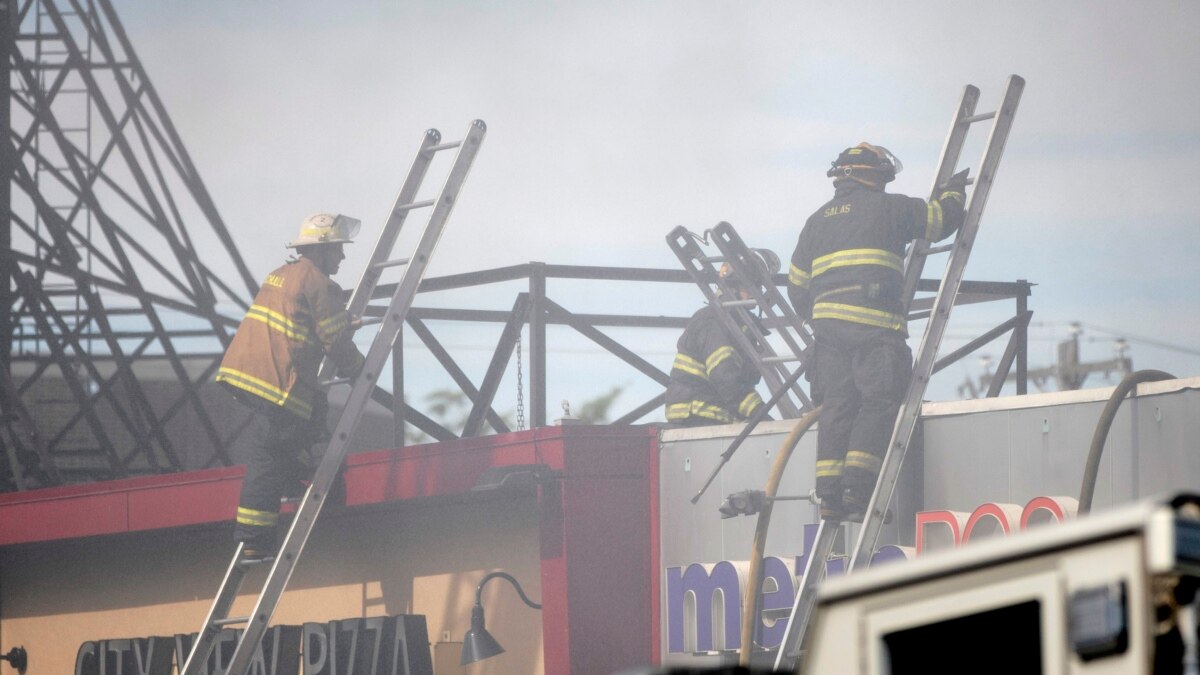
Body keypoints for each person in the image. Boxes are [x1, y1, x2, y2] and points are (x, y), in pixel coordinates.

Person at [787, 143, 968, 522]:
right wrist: (953, 192)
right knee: (879, 401)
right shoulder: (890, 208)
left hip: (828, 332)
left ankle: (829, 497)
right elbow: (939, 221)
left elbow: (797, 287)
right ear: (871, 175)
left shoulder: (815, 221)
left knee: (838, 407)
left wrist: (822, 319)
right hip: (874, 326)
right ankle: (858, 490)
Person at [216, 213, 367, 558]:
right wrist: (359, 368)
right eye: (339, 250)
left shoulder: (280, 276)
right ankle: (255, 536)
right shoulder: (321, 283)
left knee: (288, 437)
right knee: (274, 454)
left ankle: (275, 507)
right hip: (279, 383)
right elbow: (333, 339)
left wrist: (340, 323)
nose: (343, 257)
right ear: (322, 251)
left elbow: (298, 323)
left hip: (246, 374)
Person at [664, 261, 769, 427]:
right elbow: (724, 375)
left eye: (757, 288)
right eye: (748, 288)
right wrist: (758, 412)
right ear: (731, 287)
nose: (753, 295)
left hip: (712, 412)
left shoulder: (735, 324)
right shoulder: (715, 320)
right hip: (698, 412)